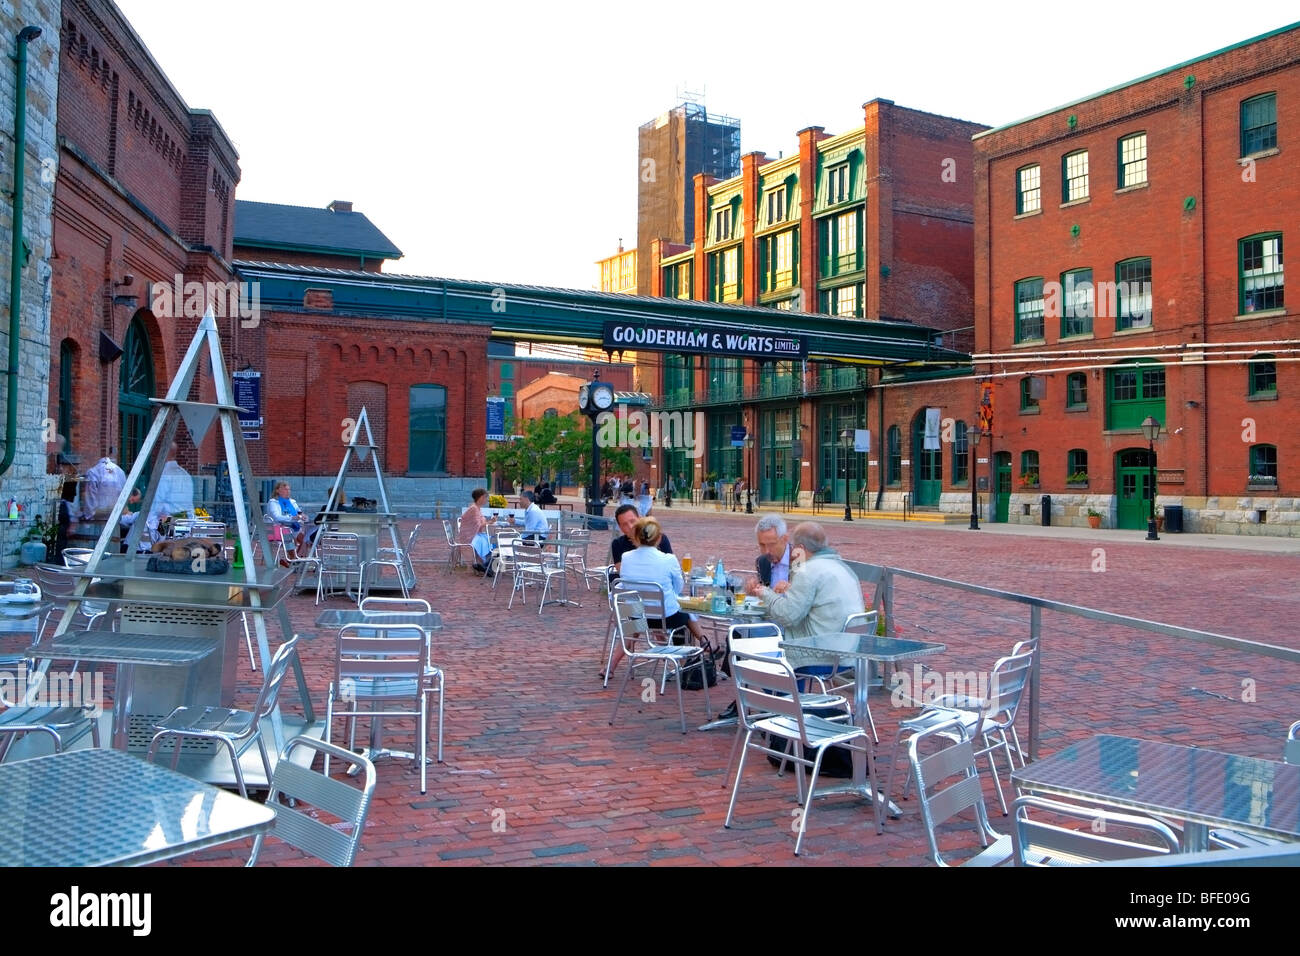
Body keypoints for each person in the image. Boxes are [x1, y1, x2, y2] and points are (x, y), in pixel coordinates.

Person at [604, 516, 706, 680]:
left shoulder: (626, 557)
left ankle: (611, 666)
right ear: (659, 538)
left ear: (636, 536)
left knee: (638, 616)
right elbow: (678, 587)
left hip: (636, 615)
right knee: (684, 611)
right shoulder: (668, 559)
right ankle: (693, 656)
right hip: (665, 618)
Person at [745, 522, 864, 642]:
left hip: (817, 648)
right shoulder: (842, 567)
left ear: (800, 549)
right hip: (847, 647)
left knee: (753, 641)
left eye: (793, 547)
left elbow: (787, 616)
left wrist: (765, 593)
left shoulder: (808, 571)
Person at [609, 502, 672, 581]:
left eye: (632, 521)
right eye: (625, 524)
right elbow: (623, 573)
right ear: (620, 527)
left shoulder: (659, 538)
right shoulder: (617, 544)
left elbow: (669, 567)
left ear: (640, 519)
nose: (630, 526)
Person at [267, 480, 306, 566]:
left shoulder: (292, 502)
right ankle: (293, 559)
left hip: (292, 527)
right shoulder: (273, 502)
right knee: (288, 533)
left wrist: (302, 516)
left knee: (305, 539)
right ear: (278, 490)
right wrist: (291, 518)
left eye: (289, 489)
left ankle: (295, 559)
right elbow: (276, 517)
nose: (288, 491)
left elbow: (299, 512)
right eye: (285, 489)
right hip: (276, 528)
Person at [754, 514, 793, 591]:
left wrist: (793, 589)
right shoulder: (762, 562)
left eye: (771, 545)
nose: (767, 551)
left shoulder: (800, 558)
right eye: (762, 545)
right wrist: (755, 590)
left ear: (785, 539)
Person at [460, 487, 492, 574]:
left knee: (491, 539)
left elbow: (479, 524)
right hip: (469, 536)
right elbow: (478, 526)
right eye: (485, 497)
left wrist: (489, 522)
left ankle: (486, 565)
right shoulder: (474, 509)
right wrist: (490, 522)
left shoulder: (477, 508)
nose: (486, 500)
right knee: (487, 540)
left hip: (474, 534)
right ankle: (483, 565)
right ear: (481, 497)